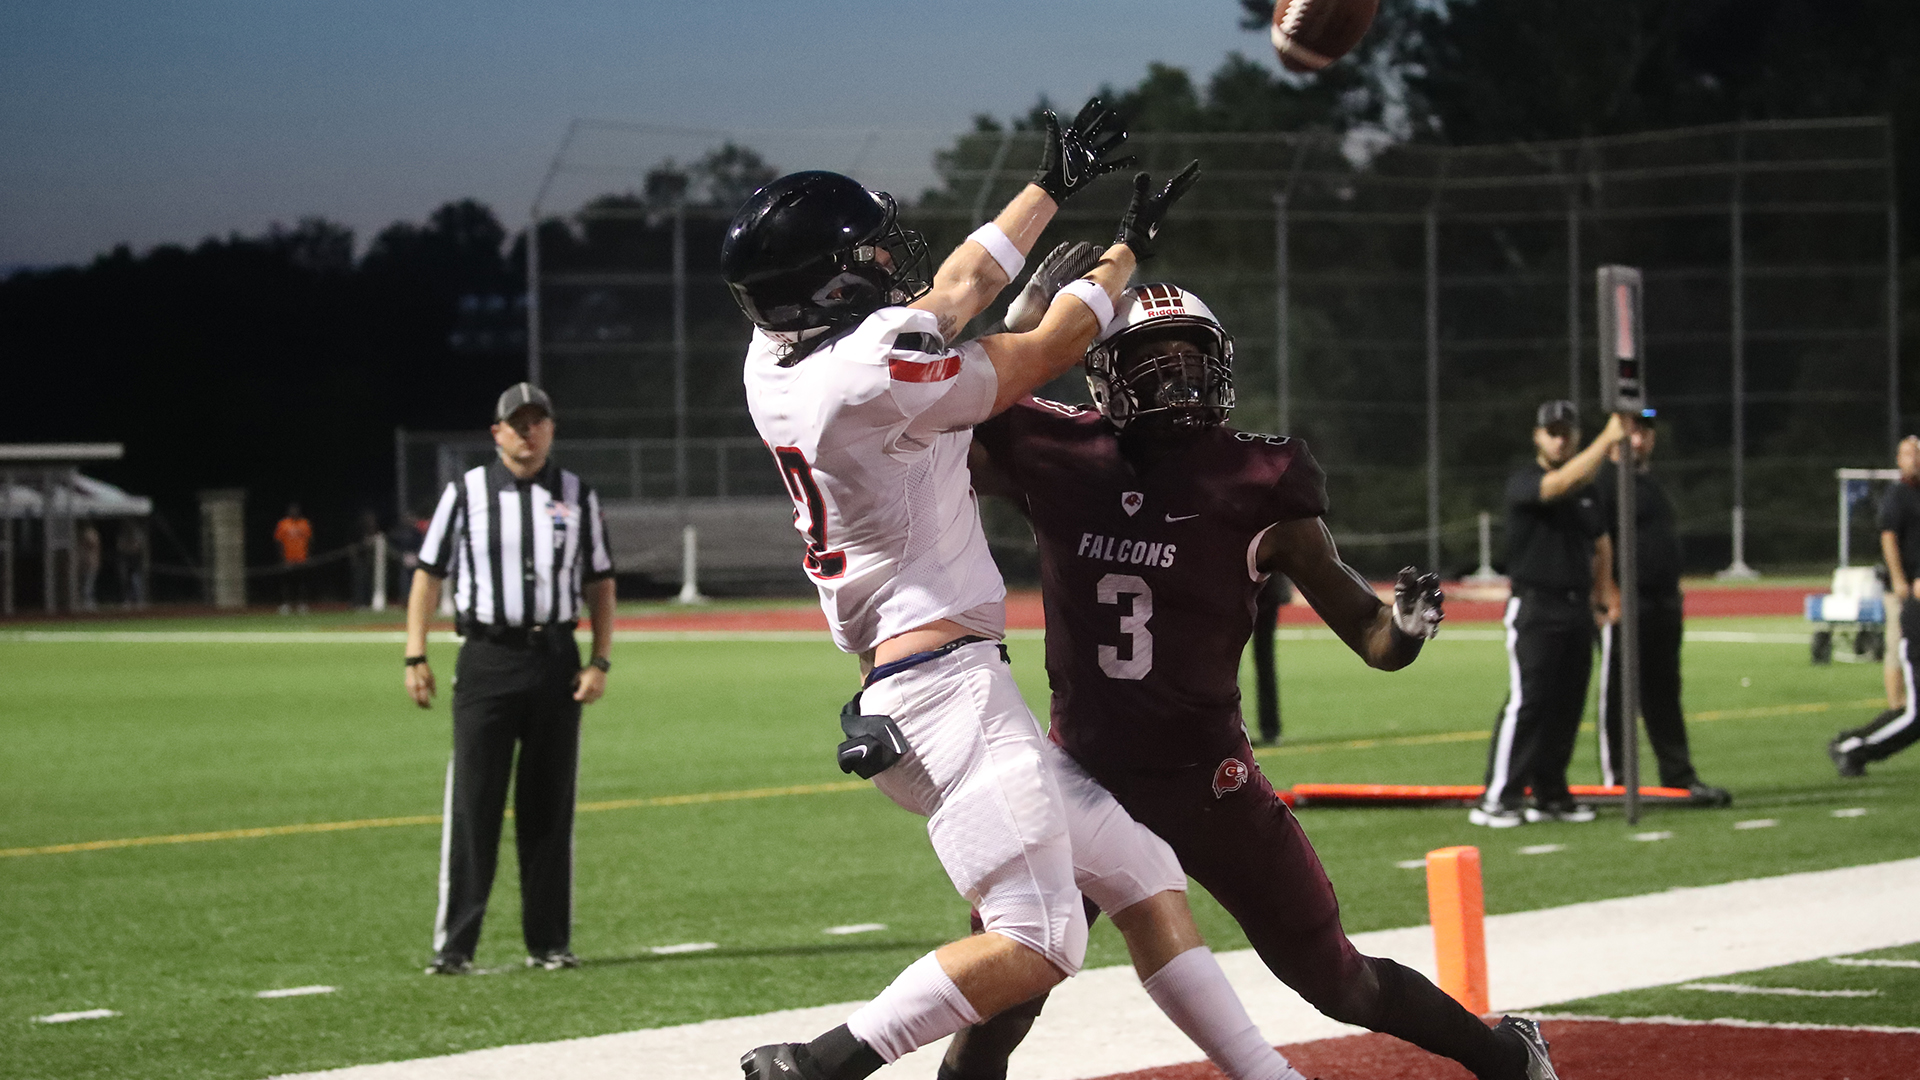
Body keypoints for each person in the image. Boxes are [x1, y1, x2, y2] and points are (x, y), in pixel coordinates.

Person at [730, 103, 1308, 1080]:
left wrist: (1048, 188)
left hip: (920, 686)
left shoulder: (773, 364)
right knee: (1042, 942)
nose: (888, 259)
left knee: (1145, 873)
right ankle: (820, 1065)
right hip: (946, 694)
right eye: (867, 253)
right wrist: (1123, 254)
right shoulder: (871, 380)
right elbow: (1041, 348)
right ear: (832, 284)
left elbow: (958, 291)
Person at [950, 281, 1559, 1080]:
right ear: (1104, 376)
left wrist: (1407, 626)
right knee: (1012, 978)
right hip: (1080, 778)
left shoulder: (1258, 480)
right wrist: (1025, 325)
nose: (1178, 378)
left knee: (1335, 980)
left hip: (1207, 779)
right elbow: (954, 409)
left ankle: (1505, 1054)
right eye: (1153, 362)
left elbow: (1373, 639)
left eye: (1191, 358)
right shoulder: (1062, 453)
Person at [404, 382, 616, 975]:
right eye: (515, 422)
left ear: (551, 428)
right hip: (487, 659)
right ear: (495, 432)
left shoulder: (577, 494)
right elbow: (428, 574)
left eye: (537, 421)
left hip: (554, 658)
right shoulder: (465, 493)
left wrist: (599, 660)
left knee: (549, 805)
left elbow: (600, 581)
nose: (527, 431)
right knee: (475, 802)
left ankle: (548, 942)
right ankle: (455, 947)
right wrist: (414, 653)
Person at [1472, 400, 1626, 828]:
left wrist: (1604, 592)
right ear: (1538, 436)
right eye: (1552, 432)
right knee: (1529, 702)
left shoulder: (1589, 490)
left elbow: (1601, 542)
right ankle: (1498, 796)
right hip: (1536, 604)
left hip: (1576, 607)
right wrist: (1607, 440)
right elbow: (1557, 485)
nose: (1560, 439)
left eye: (1566, 432)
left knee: (1567, 705)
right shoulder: (1526, 479)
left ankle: (1550, 793)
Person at [1593, 419, 1729, 805]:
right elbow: (1597, 543)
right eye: (1631, 432)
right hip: (1626, 603)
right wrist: (1610, 593)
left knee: (1664, 694)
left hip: (1662, 601)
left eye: (1644, 433)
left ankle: (1678, 776)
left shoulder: (1648, 482)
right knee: (1619, 696)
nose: (1638, 440)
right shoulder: (1605, 482)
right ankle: (1616, 782)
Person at [1830, 434, 1920, 776]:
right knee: (1913, 710)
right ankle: (1854, 747)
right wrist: (1899, 581)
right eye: (1906, 453)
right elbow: (1888, 537)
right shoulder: (1898, 495)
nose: (1912, 459)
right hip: (1911, 602)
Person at [1249, 573, 1291, 743]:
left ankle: (1227, 729)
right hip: (1268, 592)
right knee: (1265, 661)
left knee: (1227, 663)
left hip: (1249, 593)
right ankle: (1270, 730)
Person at [273, 503, 313, 614]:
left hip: (301, 558)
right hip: (288, 559)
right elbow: (278, 541)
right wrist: (282, 558)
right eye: (292, 510)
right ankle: (286, 604)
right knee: (287, 583)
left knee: (302, 582)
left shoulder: (304, 523)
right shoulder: (283, 524)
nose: (294, 512)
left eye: (296, 510)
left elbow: (310, 541)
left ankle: (302, 604)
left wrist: (308, 556)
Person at [116, 521, 147, 608]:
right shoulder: (123, 534)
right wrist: (129, 548)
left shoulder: (137, 533)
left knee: (136, 581)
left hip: (135, 561)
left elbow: (137, 547)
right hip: (126, 560)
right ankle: (127, 600)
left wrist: (129, 548)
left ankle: (139, 601)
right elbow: (120, 546)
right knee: (125, 580)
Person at [76, 521, 101, 611]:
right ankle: (85, 605)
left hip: (90, 564)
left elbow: (92, 544)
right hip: (84, 564)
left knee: (88, 587)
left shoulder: (90, 533)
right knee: (83, 587)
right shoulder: (82, 534)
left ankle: (89, 606)